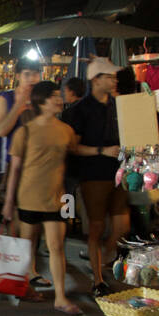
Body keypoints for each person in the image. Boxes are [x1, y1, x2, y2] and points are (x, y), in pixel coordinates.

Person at [3, 81, 82, 314]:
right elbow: (15, 170)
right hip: (28, 198)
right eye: (53, 96)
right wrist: (8, 203)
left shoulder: (65, 130)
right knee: (27, 247)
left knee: (57, 247)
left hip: (56, 198)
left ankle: (60, 297)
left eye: (59, 95)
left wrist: (104, 150)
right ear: (41, 102)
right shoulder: (24, 131)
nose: (59, 99)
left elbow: (77, 151)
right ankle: (25, 287)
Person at [66, 57, 129, 297]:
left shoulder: (118, 105)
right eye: (109, 76)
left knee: (123, 224)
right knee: (96, 225)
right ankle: (98, 278)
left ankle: (103, 257)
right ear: (96, 79)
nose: (114, 81)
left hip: (118, 171)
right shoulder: (80, 110)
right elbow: (73, 147)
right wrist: (101, 151)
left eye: (114, 77)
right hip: (93, 173)